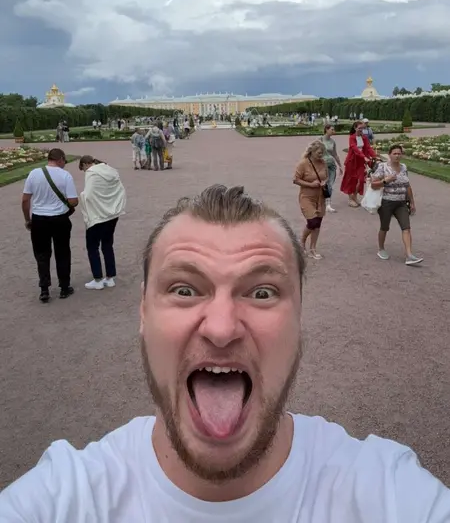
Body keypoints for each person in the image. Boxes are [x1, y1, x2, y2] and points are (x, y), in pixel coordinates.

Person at [2, 185, 449, 520]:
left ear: (299, 317)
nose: (220, 329)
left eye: (261, 292)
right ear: (143, 311)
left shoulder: (389, 493)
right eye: (184, 289)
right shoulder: (59, 498)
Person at [21, 148, 78, 303]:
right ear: (61, 159)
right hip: (59, 219)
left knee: (42, 255)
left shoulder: (34, 173)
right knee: (63, 252)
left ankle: (44, 289)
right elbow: (73, 201)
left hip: (39, 219)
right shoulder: (65, 175)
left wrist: (28, 219)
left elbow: (25, 200)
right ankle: (64, 287)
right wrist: (70, 203)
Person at [79, 155, 127, 290]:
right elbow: (120, 189)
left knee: (92, 246)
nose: (84, 171)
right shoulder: (111, 170)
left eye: (83, 168)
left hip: (97, 215)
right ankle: (110, 277)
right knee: (107, 244)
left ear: (85, 164)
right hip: (112, 213)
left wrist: (82, 196)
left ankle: (98, 279)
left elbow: (88, 195)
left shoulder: (91, 172)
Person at [371, 145, 423, 266]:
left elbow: (407, 185)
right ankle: (381, 248)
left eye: (399, 153)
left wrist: (412, 202)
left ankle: (409, 255)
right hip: (386, 202)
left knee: (406, 227)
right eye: (394, 153)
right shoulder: (383, 167)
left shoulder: (404, 167)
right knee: (384, 227)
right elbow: (373, 184)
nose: (397, 156)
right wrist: (386, 180)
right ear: (389, 155)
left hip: (401, 203)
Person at [293, 140, 328, 259]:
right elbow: (296, 179)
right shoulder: (303, 163)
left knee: (318, 223)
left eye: (322, 153)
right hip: (307, 197)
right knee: (312, 221)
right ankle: (302, 241)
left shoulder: (323, 162)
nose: (321, 155)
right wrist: (310, 184)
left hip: (320, 197)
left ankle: (313, 248)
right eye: (319, 152)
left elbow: (326, 176)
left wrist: (324, 182)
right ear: (312, 151)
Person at [340, 121, 378, 207]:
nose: (361, 130)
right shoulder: (352, 137)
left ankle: (354, 196)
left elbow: (368, 148)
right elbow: (354, 148)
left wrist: (375, 156)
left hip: (361, 161)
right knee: (351, 180)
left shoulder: (364, 138)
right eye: (359, 128)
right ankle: (350, 199)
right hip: (352, 161)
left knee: (361, 180)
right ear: (355, 128)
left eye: (362, 128)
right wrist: (364, 157)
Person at [320, 124, 343, 213]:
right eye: (332, 129)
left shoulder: (333, 142)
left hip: (331, 165)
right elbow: (314, 152)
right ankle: (321, 202)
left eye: (334, 130)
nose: (334, 131)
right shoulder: (320, 140)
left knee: (330, 184)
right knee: (322, 183)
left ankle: (328, 205)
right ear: (326, 129)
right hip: (322, 165)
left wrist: (340, 166)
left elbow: (335, 154)